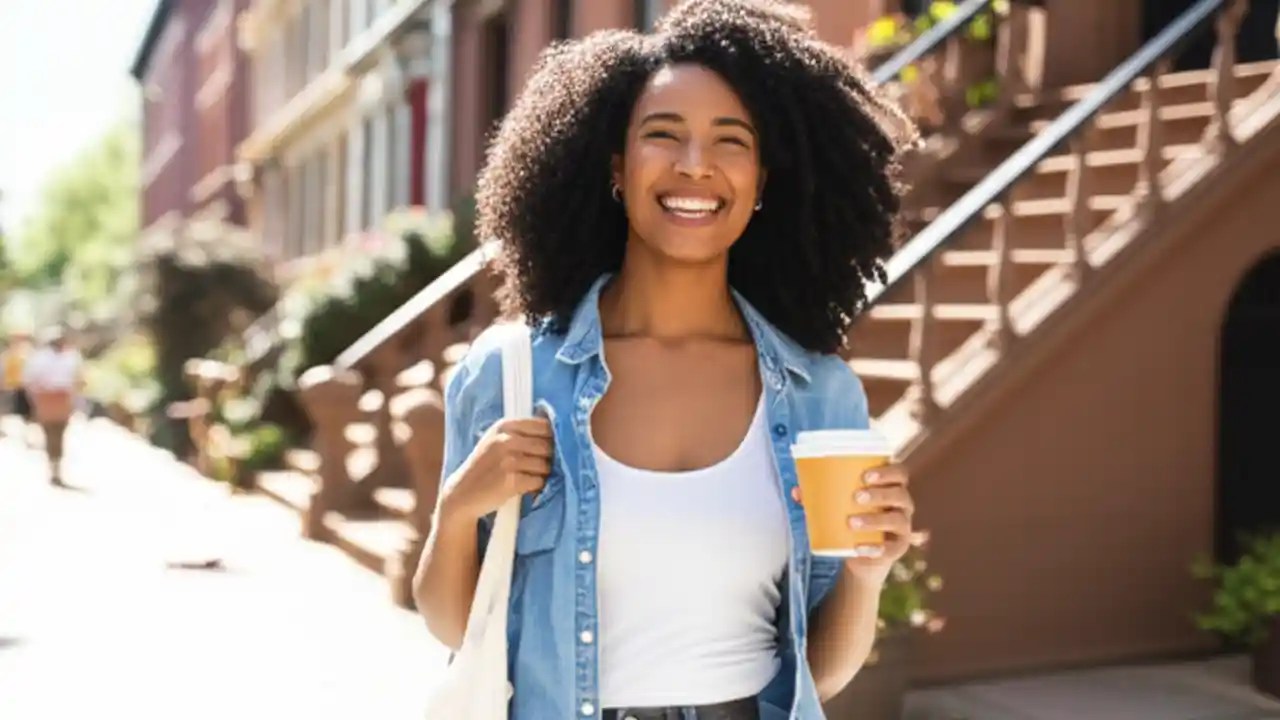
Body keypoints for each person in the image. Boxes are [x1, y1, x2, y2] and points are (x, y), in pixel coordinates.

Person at [414, 2, 919, 718]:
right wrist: (460, 509)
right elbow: (453, 627)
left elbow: (818, 677)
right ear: (616, 168)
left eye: (730, 140)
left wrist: (868, 576)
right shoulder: (514, 372)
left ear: (763, 180)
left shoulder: (819, 395)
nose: (694, 166)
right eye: (663, 134)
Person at [23, 328, 83, 485]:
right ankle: (53, 466)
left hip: (63, 399)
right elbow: (30, 380)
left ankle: (57, 466)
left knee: (60, 433)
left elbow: (78, 380)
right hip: (47, 398)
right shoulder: (40, 358)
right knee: (50, 433)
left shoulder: (72, 357)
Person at [1, 331, 33, 432]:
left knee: (27, 412)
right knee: (4, 408)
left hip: (22, 387)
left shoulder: (27, 355)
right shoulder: (6, 356)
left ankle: (28, 430)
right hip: (9, 387)